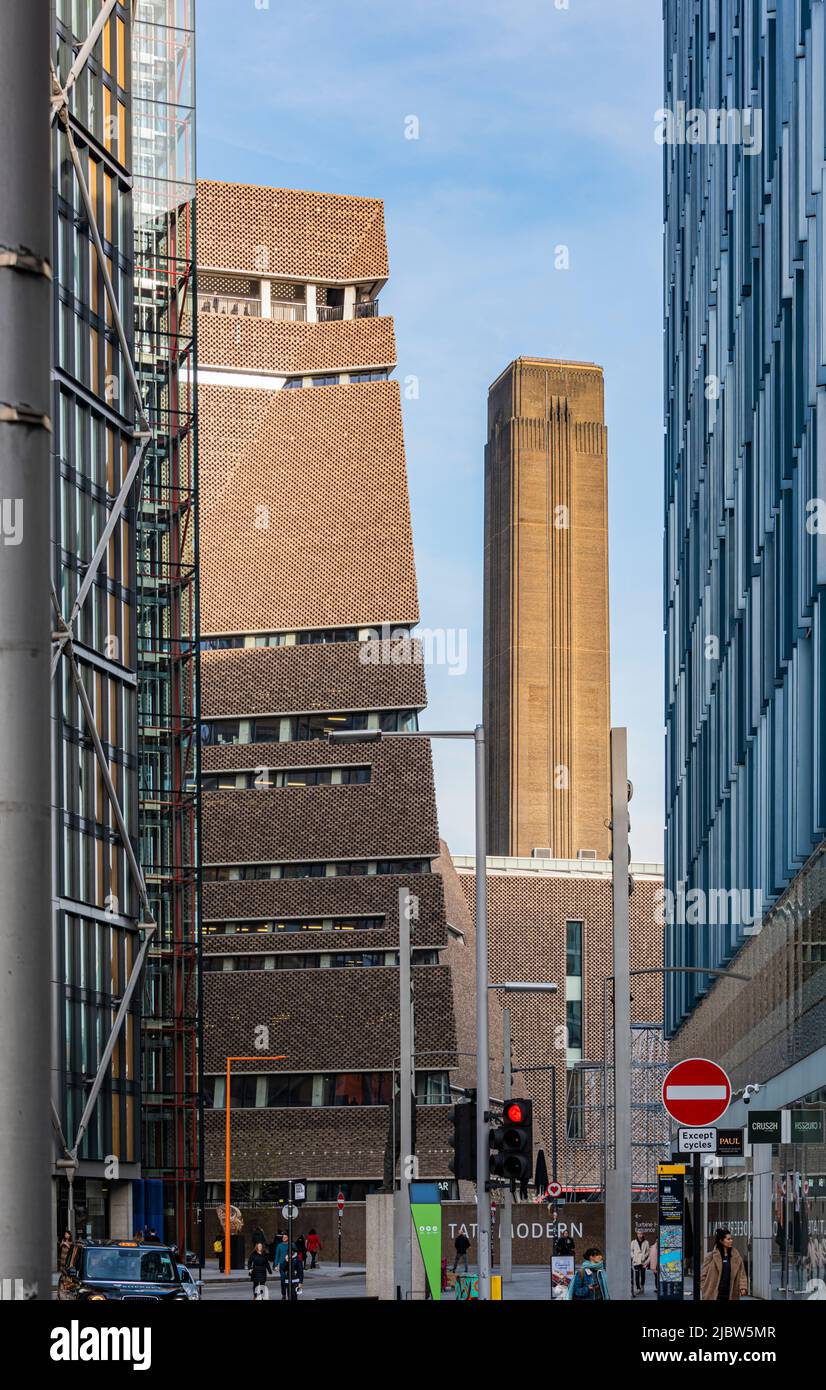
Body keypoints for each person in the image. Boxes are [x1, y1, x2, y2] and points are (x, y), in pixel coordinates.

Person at [701, 1228, 748, 1301]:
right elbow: (703, 1275)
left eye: (731, 1239)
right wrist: (705, 1288)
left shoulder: (736, 1256)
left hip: (730, 1293)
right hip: (713, 1294)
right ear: (721, 1241)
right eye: (728, 1239)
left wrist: (743, 1287)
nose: (731, 1241)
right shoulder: (710, 1257)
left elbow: (742, 1273)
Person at [631, 1229, 650, 1294]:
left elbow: (648, 1251)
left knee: (643, 1275)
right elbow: (631, 1250)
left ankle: (642, 1286)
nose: (640, 1235)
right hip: (636, 1261)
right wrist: (633, 1256)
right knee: (636, 1275)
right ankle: (638, 1288)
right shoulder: (633, 1242)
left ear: (643, 1234)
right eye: (639, 1233)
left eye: (641, 1233)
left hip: (643, 1261)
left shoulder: (646, 1242)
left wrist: (644, 1256)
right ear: (637, 1234)